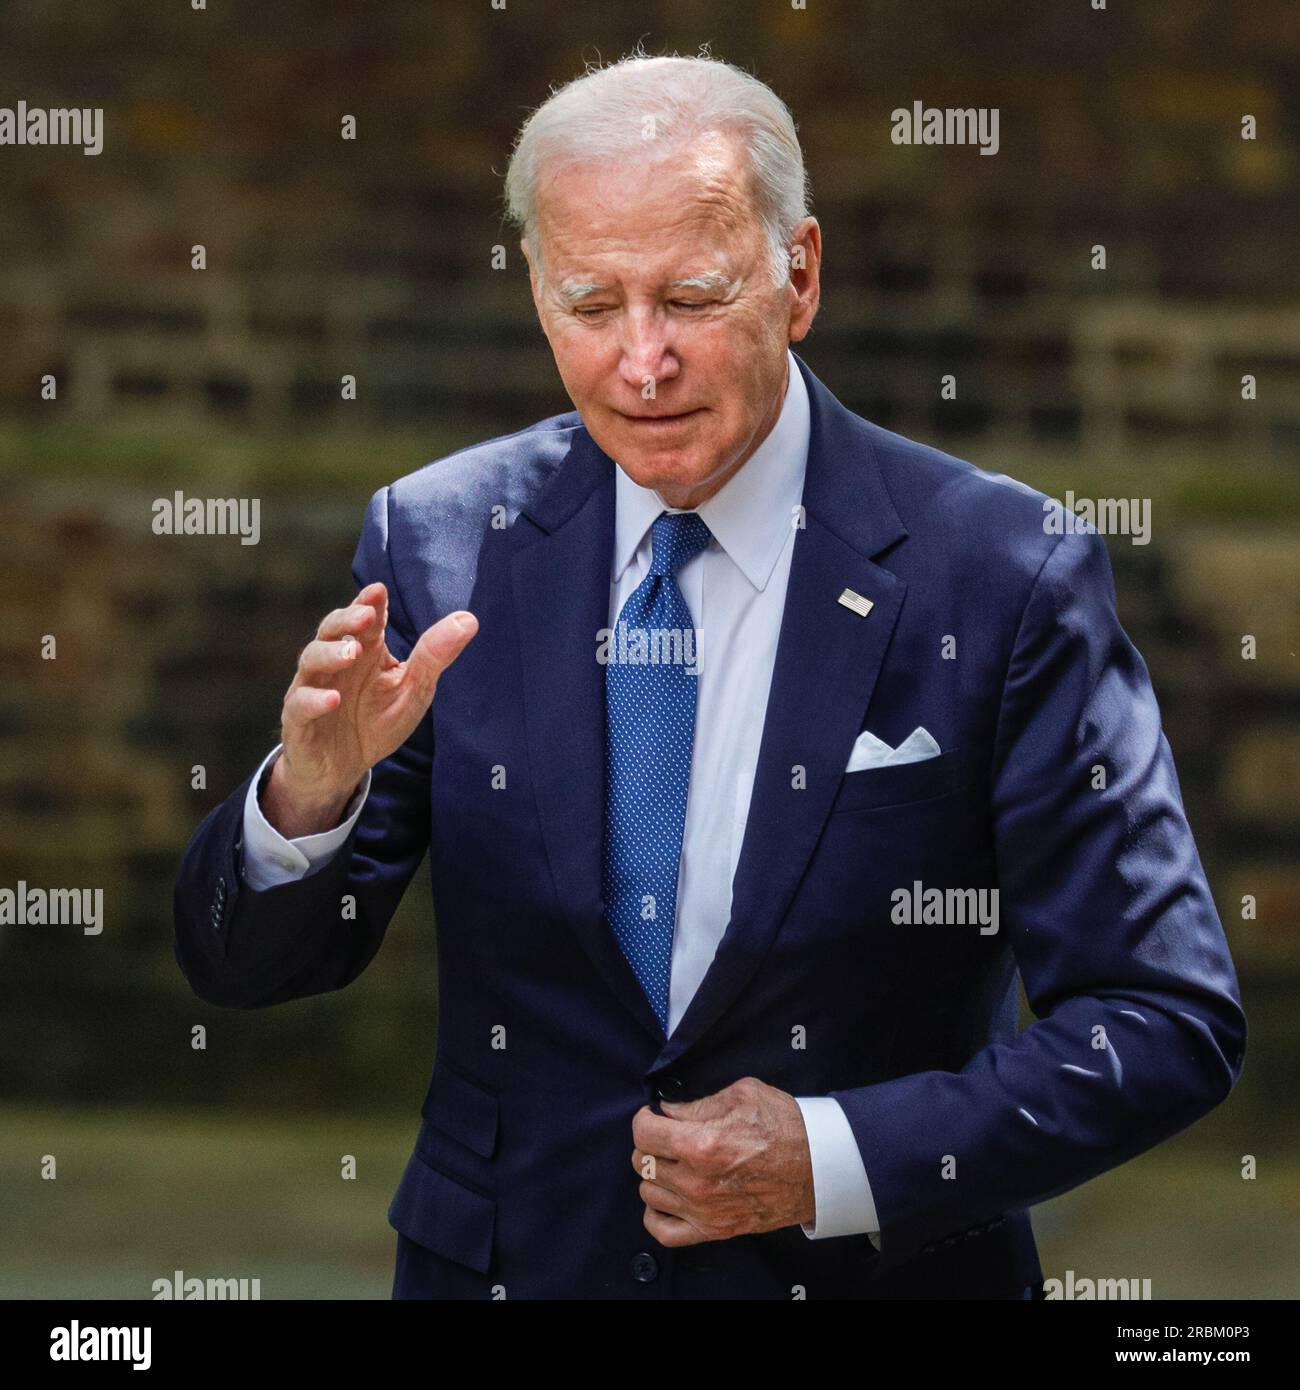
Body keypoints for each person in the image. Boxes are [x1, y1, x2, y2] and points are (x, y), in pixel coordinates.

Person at [173, 51, 1246, 1300]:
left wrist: (831, 1158)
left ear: (799, 277)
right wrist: (307, 800)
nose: (641, 361)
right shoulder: (441, 539)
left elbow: (1160, 1018)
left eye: (688, 298)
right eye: (591, 304)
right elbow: (251, 969)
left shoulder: (1001, 573)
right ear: (532, 291)